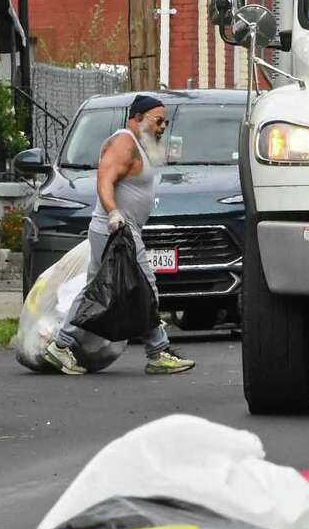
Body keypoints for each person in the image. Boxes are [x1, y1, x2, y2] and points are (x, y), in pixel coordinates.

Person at [43, 94, 195, 377]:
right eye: (158, 120)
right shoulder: (124, 142)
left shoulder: (141, 145)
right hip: (116, 231)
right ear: (137, 118)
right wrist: (114, 213)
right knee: (144, 287)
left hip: (121, 230)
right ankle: (157, 351)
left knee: (98, 291)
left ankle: (61, 344)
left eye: (166, 122)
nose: (163, 126)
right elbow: (105, 179)